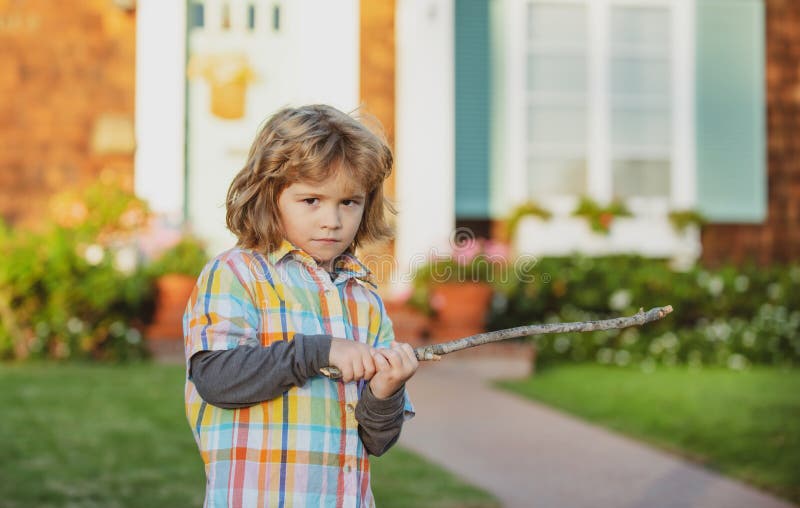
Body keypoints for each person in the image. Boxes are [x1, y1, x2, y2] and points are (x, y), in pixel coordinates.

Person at [183, 104, 418, 508]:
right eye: (311, 200)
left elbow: (376, 441)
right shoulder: (237, 275)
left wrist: (384, 391)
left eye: (349, 202)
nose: (332, 220)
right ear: (269, 195)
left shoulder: (364, 298)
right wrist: (318, 351)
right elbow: (216, 378)